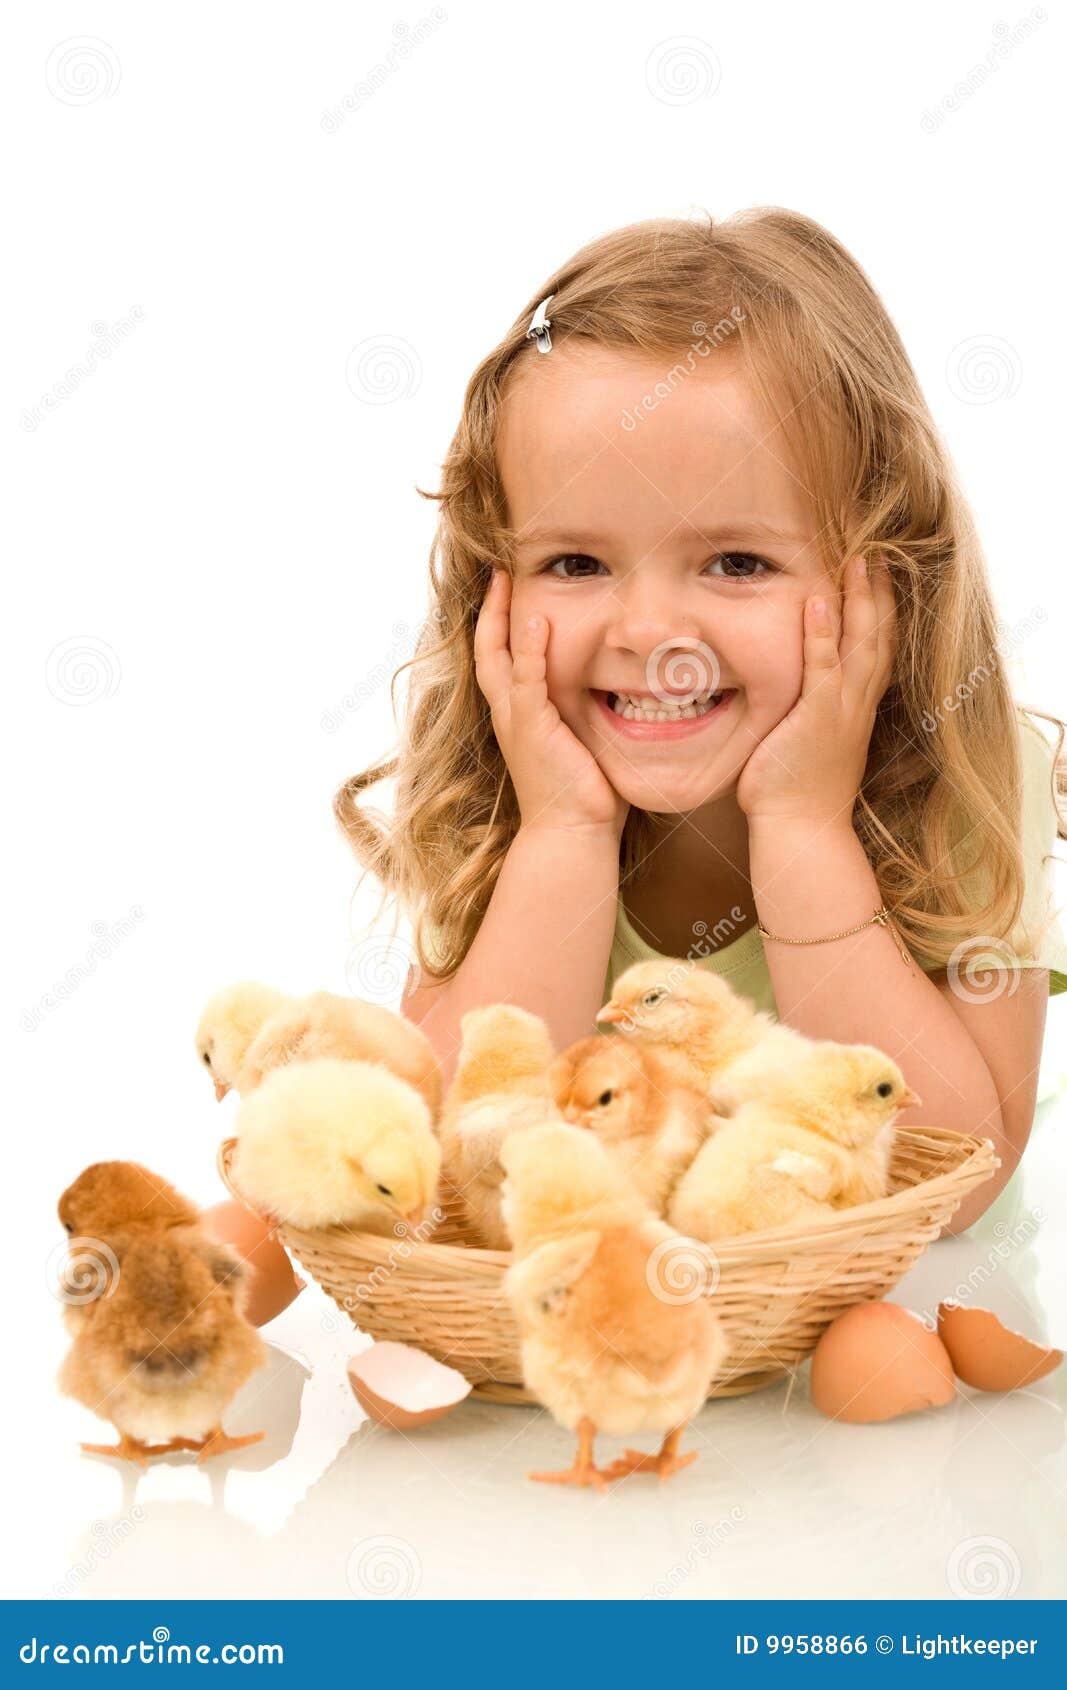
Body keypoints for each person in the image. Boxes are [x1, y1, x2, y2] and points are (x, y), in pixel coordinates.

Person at [334, 208, 1067, 1231]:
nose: (648, 633)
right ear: (492, 590)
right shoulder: (497, 789)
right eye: (574, 563)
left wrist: (803, 830)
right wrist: (563, 835)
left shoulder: (967, 779)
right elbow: (446, 1172)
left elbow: (950, 1187)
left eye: (735, 562)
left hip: (893, 1302)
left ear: (884, 579)